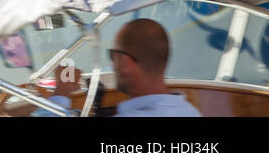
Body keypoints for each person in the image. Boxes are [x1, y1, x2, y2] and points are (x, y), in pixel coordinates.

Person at [46, 18, 201, 117]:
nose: (112, 64)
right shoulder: (191, 112)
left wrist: (62, 92)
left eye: (112, 55)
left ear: (125, 62)